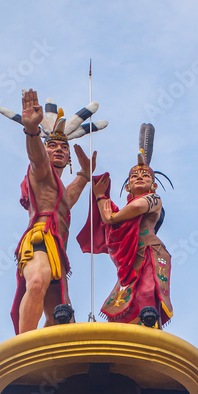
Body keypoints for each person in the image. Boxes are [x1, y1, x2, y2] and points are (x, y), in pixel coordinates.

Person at [0, 89, 107, 334]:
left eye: (64, 147)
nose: (59, 149)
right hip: (40, 239)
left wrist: (86, 175)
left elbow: (72, 195)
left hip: (57, 250)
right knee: (36, 282)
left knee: (62, 317)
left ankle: (57, 363)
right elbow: (36, 158)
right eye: (52, 145)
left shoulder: (62, 192)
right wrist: (32, 132)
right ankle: (24, 347)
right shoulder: (41, 172)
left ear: (69, 158)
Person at [77, 126, 173, 327]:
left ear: (153, 185)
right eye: (134, 176)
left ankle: (148, 322)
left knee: (146, 291)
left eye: (145, 175)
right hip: (133, 256)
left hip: (149, 250)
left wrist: (103, 201)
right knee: (130, 295)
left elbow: (116, 217)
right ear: (128, 186)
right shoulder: (126, 212)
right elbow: (111, 220)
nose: (139, 177)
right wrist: (103, 201)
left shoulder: (152, 200)